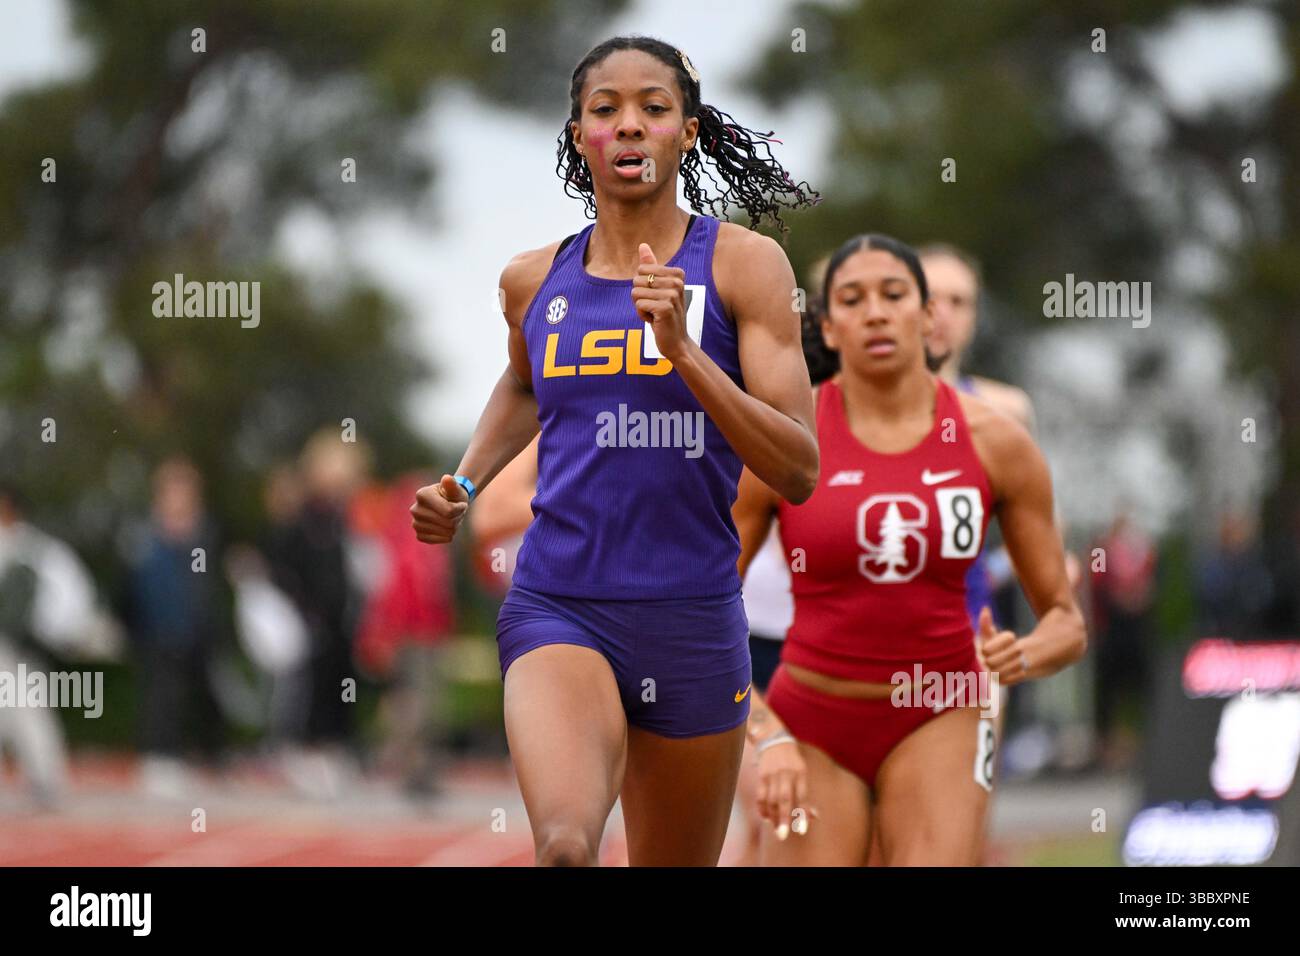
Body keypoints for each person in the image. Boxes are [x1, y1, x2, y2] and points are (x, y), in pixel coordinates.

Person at [411, 35, 819, 866]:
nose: (629, 126)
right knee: (564, 844)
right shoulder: (533, 280)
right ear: (576, 134)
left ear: (689, 132)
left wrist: (687, 353)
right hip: (561, 601)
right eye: (606, 110)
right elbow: (524, 386)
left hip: (695, 615)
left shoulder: (746, 267)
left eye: (654, 109)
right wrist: (461, 479)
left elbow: (799, 468)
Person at [734, 233, 1087, 865]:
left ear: (928, 318)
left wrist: (1023, 655)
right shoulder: (783, 442)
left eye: (894, 295)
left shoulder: (996, 443)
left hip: (943, 710)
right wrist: (764, 734)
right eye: (852, 298)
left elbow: (1066, 623)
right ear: (828, 327)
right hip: (811, 717)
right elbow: (699, 611)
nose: (875, 311)